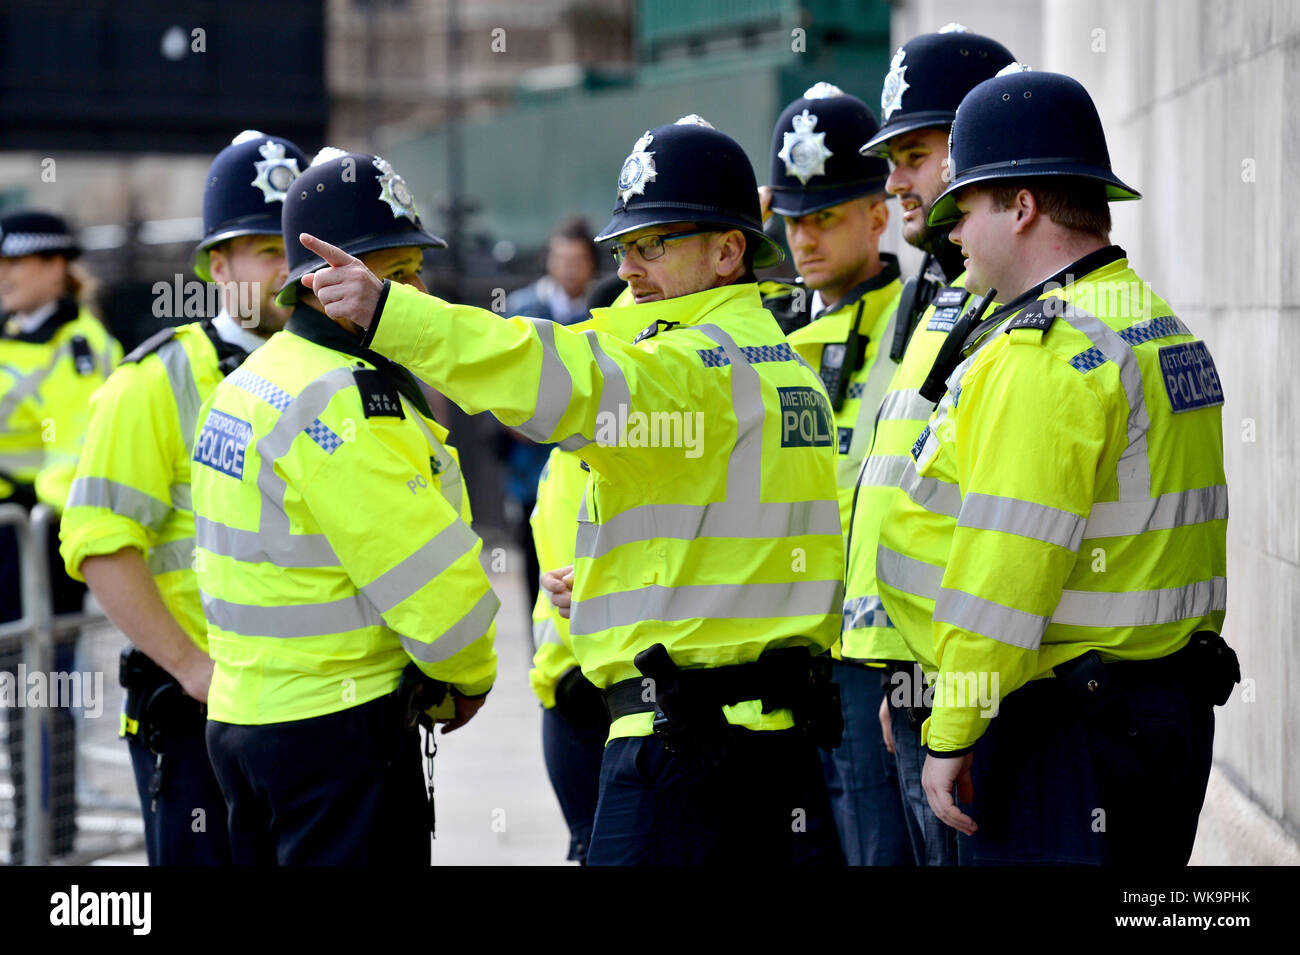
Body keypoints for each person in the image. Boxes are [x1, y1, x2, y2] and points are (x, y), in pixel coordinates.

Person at [298, 116, 845, 865]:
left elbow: (547, 370)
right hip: (773, 749)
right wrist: (607, 581)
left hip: (685, 754)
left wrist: (392, 314)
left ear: (727, 252)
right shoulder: (774, 361)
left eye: (654, 244)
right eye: (623, 249)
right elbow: (725, 545)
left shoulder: (694, 369)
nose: (630, 270)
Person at [876, 71, 1235, 865]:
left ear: (1022, 207)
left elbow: (1006, 573)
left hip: (1066, 736)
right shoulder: (1151, 324)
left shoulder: (1047, 351)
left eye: (965, 208)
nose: (953, 233)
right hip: (1156, 715)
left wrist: (952, 726)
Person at [190, 148, 499, 865]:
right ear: (325, 282)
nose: (417, 292)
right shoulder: (347, 399)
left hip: (243, 721)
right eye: (396, 275)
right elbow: (431, 582)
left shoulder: (250, 381)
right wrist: (469, 674)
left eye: (416, 271)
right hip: (337, 726)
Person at [59, 130, 309, 865]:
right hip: (200, 715)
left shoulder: (352, 374)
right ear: (216, 266)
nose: (286, 268)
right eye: (264, 250)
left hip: (325, 710)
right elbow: (100, 544)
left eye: (297, 248)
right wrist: (194, 668)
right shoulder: (153, 382)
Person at [846, 25, 1017, 866]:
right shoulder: (943, 293)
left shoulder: (1009, 299)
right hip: (913, 672)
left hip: (966, 687)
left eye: (913, 155)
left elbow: (1006, 530)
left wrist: (953, 697)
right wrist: (900, 670)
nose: (894, 182)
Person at [760, 82, 910, 866]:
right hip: (785, 649)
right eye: (791, 220)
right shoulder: (770, 326)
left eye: (824, 216)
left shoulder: (922, 320)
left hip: (872, 654)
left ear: (878, 216)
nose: (803, 238)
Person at [0, 210, 120, 862]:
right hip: (12, 541)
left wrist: (29, 514)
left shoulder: (79, 347)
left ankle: (42, 844)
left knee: (36, 697)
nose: (5, 276)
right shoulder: (13, 334)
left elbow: (70, 458)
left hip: (36, 546)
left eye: (16, 263)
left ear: (55, 267)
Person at [502, 217, 601, 613]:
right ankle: (540, 639)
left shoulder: (604, 311)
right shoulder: (521, 309)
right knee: (535, 559)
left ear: (591, 264)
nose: (568, 268)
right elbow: (501, 384)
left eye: (577, 260)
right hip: (530, 466)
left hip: (588, 463)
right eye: (561, 259)